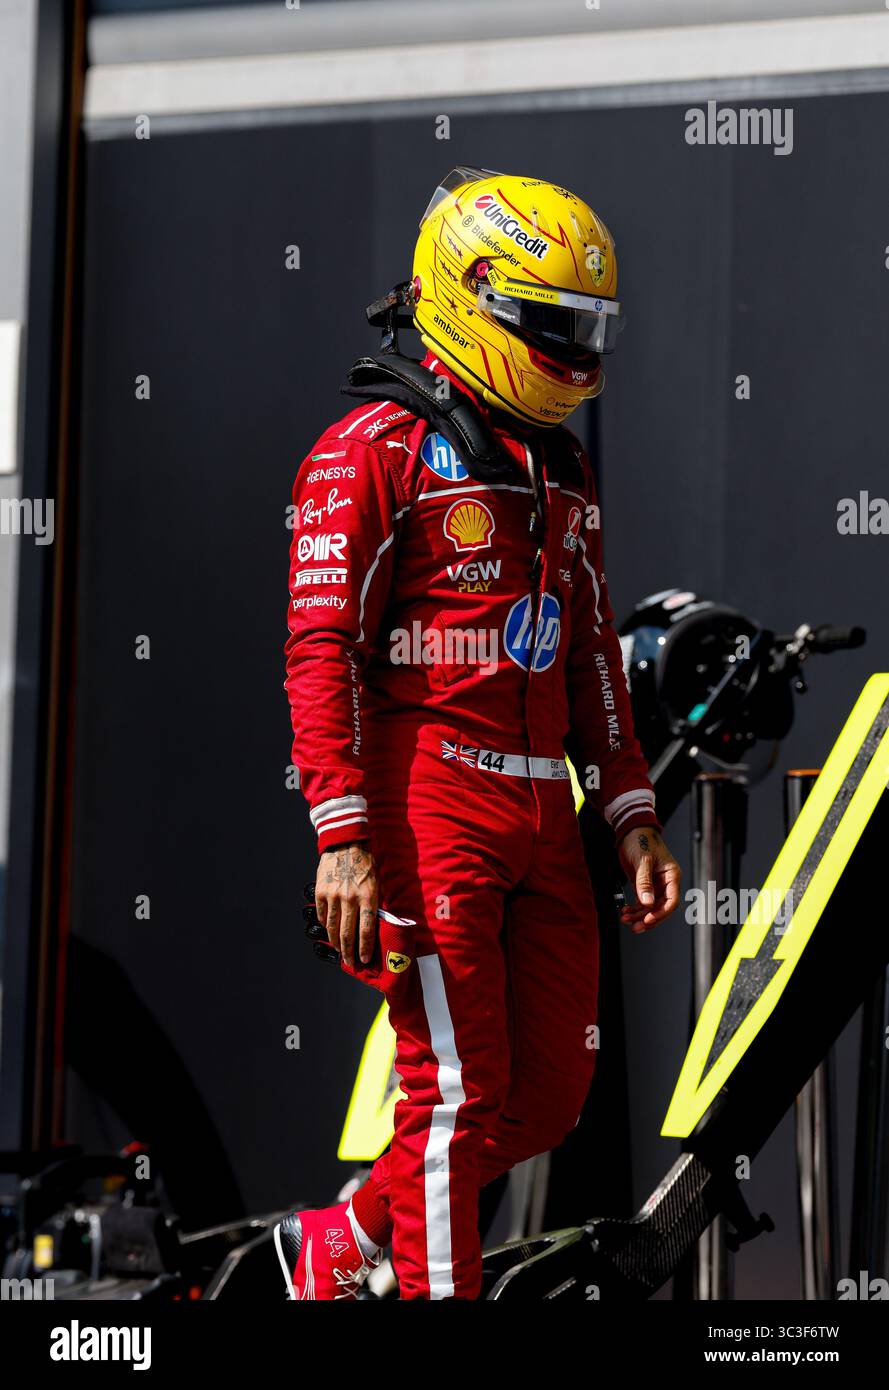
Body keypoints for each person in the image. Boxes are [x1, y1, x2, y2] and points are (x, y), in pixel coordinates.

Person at [279, 168, 681, 1301]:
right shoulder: (367, 449)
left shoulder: (560, 464)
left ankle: (344, 1241)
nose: (572, 348)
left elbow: (591, 646)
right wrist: (341, 833)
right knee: (455, 1094)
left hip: (546, 814)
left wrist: (631, 809)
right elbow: (320, 654)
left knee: (544, 1094)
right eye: (550, 325)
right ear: (472, 296)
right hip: (427, 805)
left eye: (585, 327)